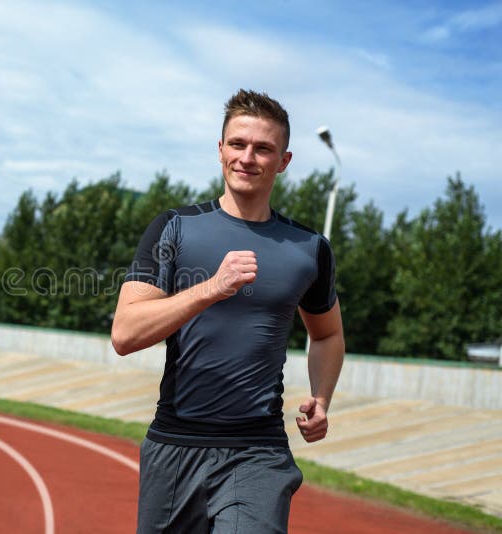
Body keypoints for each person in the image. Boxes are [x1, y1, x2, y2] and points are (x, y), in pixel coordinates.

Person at [111, 89, 345, 533]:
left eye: (263, 148)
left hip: (257, 449)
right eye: (237, 144)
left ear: (284, 161)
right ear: (220, 150)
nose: (248, 157)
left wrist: (323, 397)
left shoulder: (309, 249)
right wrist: (212, 288)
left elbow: (328, 334)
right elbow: (125, 333)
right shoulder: (174, 228)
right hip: (174, 445)